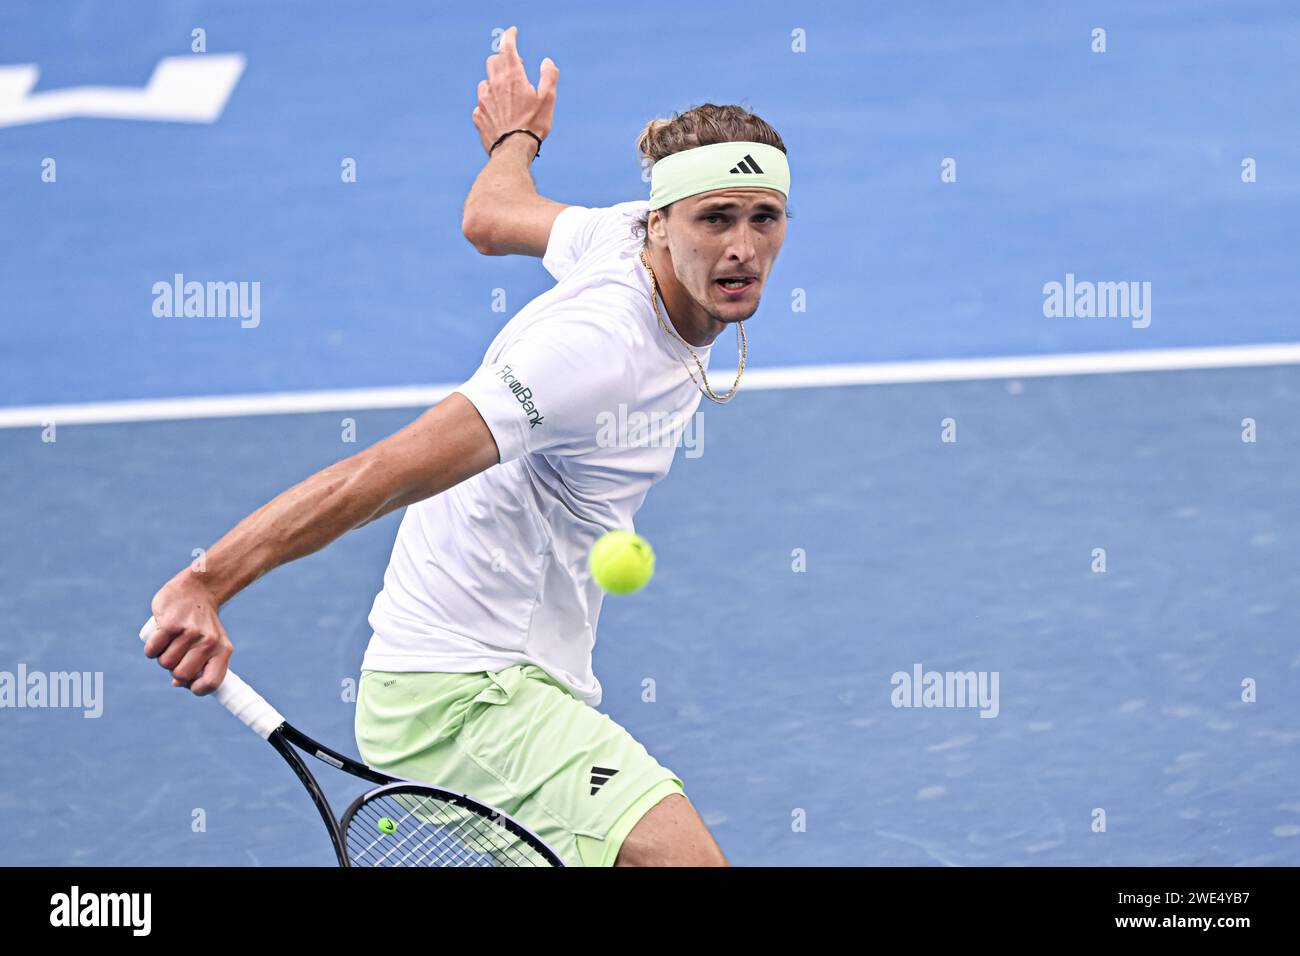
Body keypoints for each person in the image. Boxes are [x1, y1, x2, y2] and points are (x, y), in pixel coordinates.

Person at [145, 24, 790, 866]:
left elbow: (490, 216)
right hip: (463, 692)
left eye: (763, 218)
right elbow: (379, 473)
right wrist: (207, 580)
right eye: (716, 219)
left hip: (527, 673)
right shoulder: (592, 351)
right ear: (663, 226)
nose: (742, 248)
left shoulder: (618, 234)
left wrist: (515, 140)